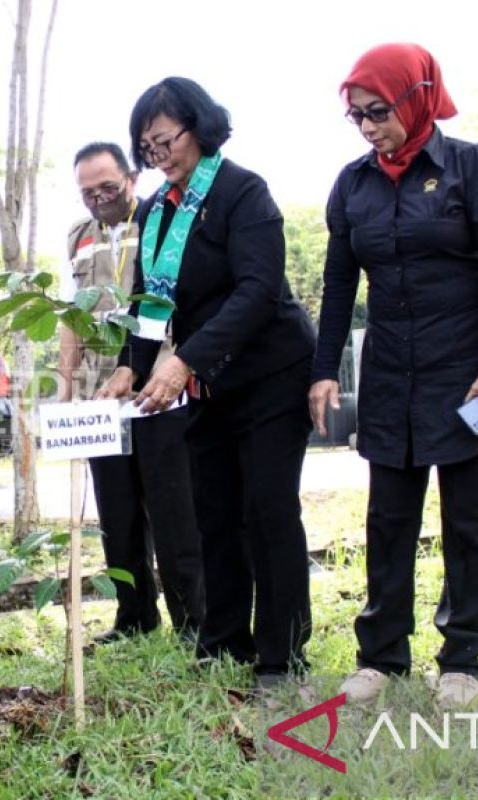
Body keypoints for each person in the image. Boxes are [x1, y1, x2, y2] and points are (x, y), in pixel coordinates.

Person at [309, 43, 478, 709]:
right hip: (391, 376)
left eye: (378, 111)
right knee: (388, 519)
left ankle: (463, 657)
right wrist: (324, 371)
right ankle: (382, 655)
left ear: (415, 98)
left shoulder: (473, 168)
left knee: (468, 522)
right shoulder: (353, 184)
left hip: (465, 375)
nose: (369, 127)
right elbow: (340, 281)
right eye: (356, 117)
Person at [99, 77, 317, 691]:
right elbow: (152, 300)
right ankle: (225, 643)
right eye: (145, 146)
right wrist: (130, 365)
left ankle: (282, 656)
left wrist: (186, 360)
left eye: (163, 139)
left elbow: (258, 290)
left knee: (268, 511)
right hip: (208, 384)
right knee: (213, 513)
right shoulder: (155, 208)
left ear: (197, 127)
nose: (156, 154)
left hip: (271, 374)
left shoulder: (242, 192)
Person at [59, 141, 205, 642]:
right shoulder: (77, 238)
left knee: (174, 514)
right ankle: (134, 618)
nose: (98, 197)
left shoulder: (161, 223)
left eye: (107, 186)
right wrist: (65, 386)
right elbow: (70, 319)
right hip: (100, 402)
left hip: (159, 392)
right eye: (87, 191)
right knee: (115, 518)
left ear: (131, 179)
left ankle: (193, 621)